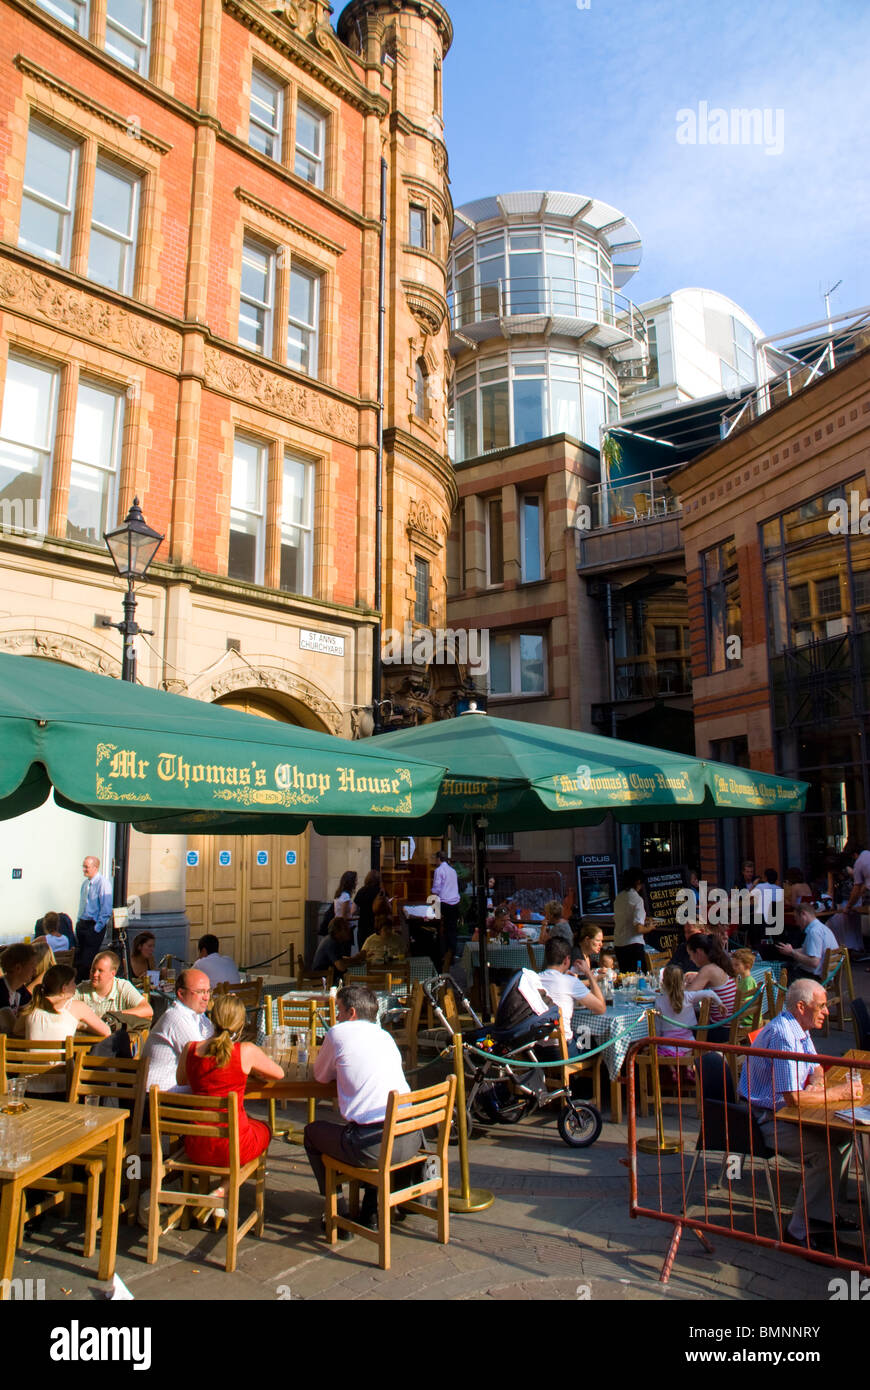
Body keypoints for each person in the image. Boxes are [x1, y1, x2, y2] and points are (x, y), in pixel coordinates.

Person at [738, 978, 862, 1247]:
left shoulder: (799, 1028)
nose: (827, 1011)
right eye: (822, 1006)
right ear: (802, 1006)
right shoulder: (784, 1035)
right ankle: (799, 1231)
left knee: (843, 1137)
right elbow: (793, 1098)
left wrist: (817, 1085)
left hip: (780, 1112)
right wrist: (838, 1093)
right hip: (762, 1120)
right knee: (827, 1152)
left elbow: (816, 1065)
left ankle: (823, 1215)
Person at [304, 983, 418, 1232]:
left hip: (375, 1147)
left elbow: (320, 1076)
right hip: (410, 1140)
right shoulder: (385, 1036)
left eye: (339, 1011)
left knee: (313, 1132)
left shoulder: (338, 1033)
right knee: (367, 1124)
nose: (336, 1017)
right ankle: (371, 1210)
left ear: (351, 1013)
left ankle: (337, 1210)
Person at [177, 993, 281, 1172]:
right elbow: (278, 1074)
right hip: (235, 1146)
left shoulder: (190, 1048)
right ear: (241, 1024)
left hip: (197, 1144)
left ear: (212, 1018)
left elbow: (181, 1079)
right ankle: (226, 1188)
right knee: (265, 1128)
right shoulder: (245, 1051)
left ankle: (222, 1188)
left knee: (248, 1125)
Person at [18, 964, 110, 1091]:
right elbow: (106, 1031)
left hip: (29, 1085)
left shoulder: (32, 1006)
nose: (75, 986)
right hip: (62, 1085)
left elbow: (16, 1030)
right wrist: (82, 1026)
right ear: (64, 988)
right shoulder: (76, 1007)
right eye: (73, 983)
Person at [142, 968, 215, 1092]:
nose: (206, 997)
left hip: (175, 1094)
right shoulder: (177, 1017)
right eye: (200, 992)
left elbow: (216, 1044)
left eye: (208, 991)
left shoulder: (197, 1015)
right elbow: (205, 1059)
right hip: (158, 1098)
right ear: (181, 993)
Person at [537, 938, 604, 1056]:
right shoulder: (570, 981)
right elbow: (600, 1008)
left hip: (536, 1050)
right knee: (597, 1042)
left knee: (580, 1032)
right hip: (561, 1051)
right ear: (567, 960)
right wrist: (589, 974)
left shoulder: (534, 979)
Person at [653, 963, 719, 1073]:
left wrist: (656, 1041)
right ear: (682, 982)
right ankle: (688, 1067)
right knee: (688, 1049)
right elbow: (709, 993)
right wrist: (720, 1003)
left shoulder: (659, 1001)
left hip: (669, 1043)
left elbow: (657, 1027)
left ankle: (673, 1070)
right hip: (688, 1042)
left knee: (658, 1050)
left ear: (663, 982)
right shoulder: (688, 996)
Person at [684, 932, 737, 1039]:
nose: (690, 959)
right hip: (730, 1027)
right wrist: (697, 976)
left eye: (690, 955)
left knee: (679, 1029)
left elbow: (686, 996)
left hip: (720, 1031)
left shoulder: (708, 969)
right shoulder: (721, 963)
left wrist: (676, 986)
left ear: (698, 952)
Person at [76, 950, 153, 1022]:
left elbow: (147, 1010)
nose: (95, 974)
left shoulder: (123, 987)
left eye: (100, 971)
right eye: (93, 970)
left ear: (112, 974)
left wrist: (113, 1016)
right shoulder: (82, 988)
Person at [776, 902, 839, 982]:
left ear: (803, 914)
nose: (797, 923)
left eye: (796, 918)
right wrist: (789, 950)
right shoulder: (822, 928)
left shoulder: (814, 932)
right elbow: (811, 950)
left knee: (780, 977)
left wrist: (792, 953)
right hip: (828, 974)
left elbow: (814, 962)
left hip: (816, 978)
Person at [75, 855, 113, 980]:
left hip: (93, 925)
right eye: (83, 866)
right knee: (79, 960)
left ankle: (83, 986)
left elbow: (106, 909)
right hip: (83, 924)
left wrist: (97, 928)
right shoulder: (85, 884)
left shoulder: (102, 883)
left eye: (87, 867)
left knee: (87, 961)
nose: (84, 869)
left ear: (95, 867)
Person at [613, 867, 654, 972]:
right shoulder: (637, 900)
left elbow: (624, 918)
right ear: (638, 882)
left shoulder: (619, 897)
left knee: (625, 977)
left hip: (619, 944)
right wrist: (650, 927)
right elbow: (639, 929)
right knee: (639, 977)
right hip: (634, 945)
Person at [432, 850, 460, 967]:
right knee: (452, 929)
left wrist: (432, 892)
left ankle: (443, 954)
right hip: (455, 902)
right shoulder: (453, 871)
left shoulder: (439, 871)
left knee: (442, 929)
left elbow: (437, 888)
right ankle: (452, 955)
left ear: (438, 859)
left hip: (444, 902)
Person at [0, 943, 37, 1016]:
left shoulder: (19, 988)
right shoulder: (1, 990)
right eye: (32, 966)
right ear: (18, 968)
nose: (35, 970)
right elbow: (12, 1025)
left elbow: (32, 1012)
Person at [354, 870, 382, 944]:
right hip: (376, 925)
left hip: (363, 926)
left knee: (363, 950)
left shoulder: (361, 891)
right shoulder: (380, 892)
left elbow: (353, 910)